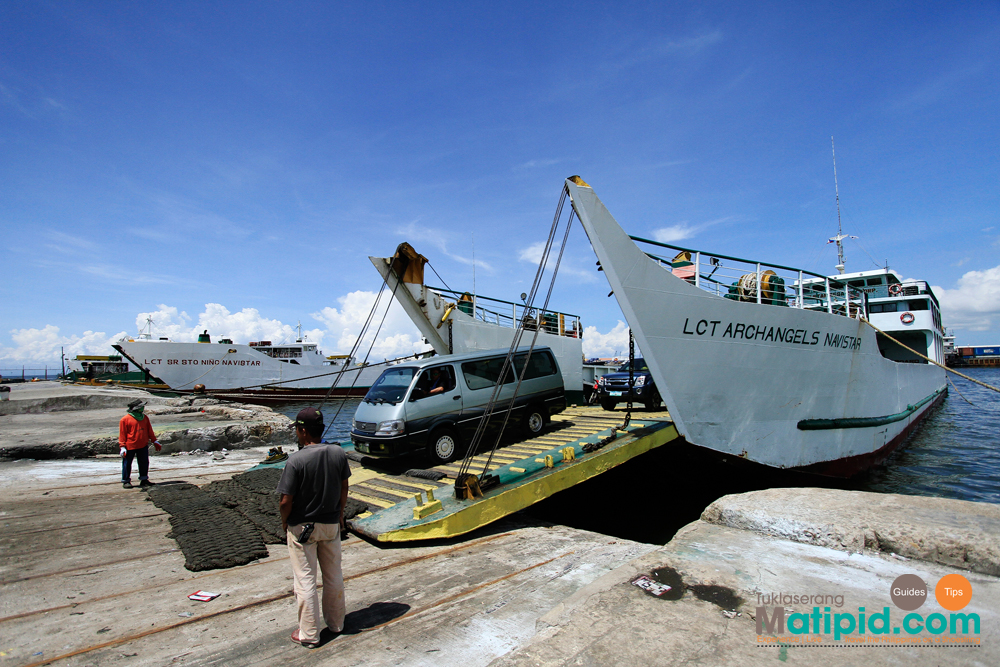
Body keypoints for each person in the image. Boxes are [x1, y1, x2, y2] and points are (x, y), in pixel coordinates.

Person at [277, 407, 351, 648]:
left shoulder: (296, 460)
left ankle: (309, 633)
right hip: (331, 525)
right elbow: (344, 487)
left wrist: (284, 522)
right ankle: (337, 624)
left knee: (305, 580)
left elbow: (285, 500)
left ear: (302, 430)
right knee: (333, 576)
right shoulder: (338, 453)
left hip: (303, 528)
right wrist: (340, 514)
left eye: (297, 430)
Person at [119, 399, 161, 489]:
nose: (143, 408)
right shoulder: (125, 419)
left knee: (144, 462)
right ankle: (126, 481)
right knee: (127, 464)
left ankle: (144, 479)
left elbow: (149, 430)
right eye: (141, 406)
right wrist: (122, 447)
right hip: (130, 446)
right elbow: (122, 434)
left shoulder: (144, 418)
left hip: (143, 444)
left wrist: (154, 440)